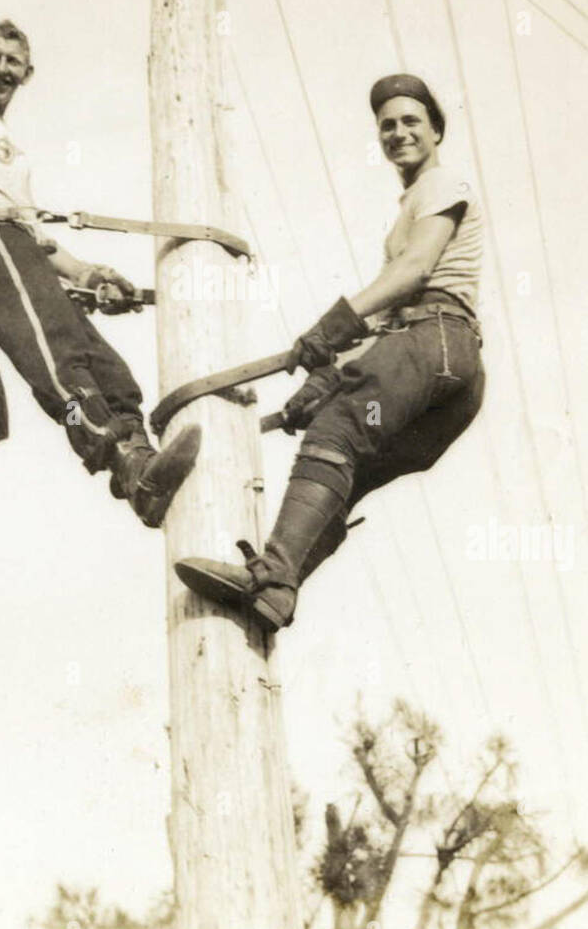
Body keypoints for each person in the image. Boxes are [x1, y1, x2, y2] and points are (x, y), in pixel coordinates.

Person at [176, 74, 485, 628]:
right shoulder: (415, 199)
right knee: (349, 470)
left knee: (338, 430)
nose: (398, 132)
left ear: (437, 130)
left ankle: (271, 575)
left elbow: (413, 274)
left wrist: (336, 323)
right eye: (387, 125)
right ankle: (277, 593)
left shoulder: (441, 184)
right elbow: (389, 323)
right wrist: (324, 380)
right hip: (452, 375)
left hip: (435, 337)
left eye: (411, 121)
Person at [0, 19, 200, 527]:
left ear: (28, 72)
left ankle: (143, 467)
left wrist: (88, 274)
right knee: (58, 363)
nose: (1, 68)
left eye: (12, 61)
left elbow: (35, 234)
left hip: (20, 243)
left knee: (100, 361)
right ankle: (125, 462)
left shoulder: (10, 147)